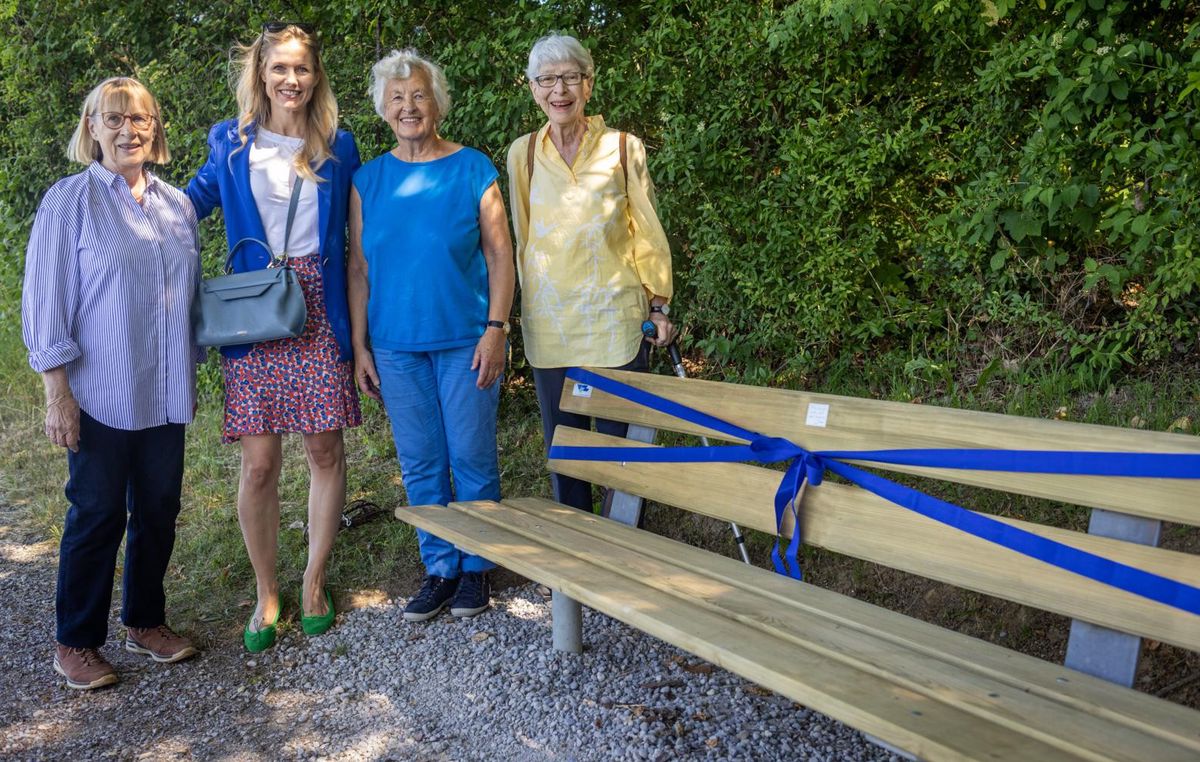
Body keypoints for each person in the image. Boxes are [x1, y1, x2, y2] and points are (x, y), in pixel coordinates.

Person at [186, 22, 361, 652]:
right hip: (255, 309)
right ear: (260, 73)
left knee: (324, 452)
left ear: (316, 77)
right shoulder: (230, 143)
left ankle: (314, 580)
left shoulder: (339, 145)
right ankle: (267, 591)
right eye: (280, 68)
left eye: (302, 68)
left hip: (319, 307)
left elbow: (361, 235)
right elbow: (186, 206)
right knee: (259, 464)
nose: (292, 79)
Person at [22, 77, 201, 690]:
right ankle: (75, 640)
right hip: (99, 391)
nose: (129, 129)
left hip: (164, 390)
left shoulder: (177, 206)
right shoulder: (68, 202)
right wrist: (58, 394)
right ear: (92, 128)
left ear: (156, 126)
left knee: (158, 510)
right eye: (115, 118)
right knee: (97, 513)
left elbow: (189, 299)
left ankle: (144, 621)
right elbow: (46, 302)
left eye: (141, 118)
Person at [349, 49, 514, 622]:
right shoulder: (368, 180)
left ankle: (476, 567)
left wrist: (496, 329)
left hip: (467, 340)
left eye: (419, 94)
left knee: (471, 456)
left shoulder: (472, 168)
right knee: (420, 461)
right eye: (396, 97)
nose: (408, 106)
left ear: (437, 103)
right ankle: (440, 567)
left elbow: (500, 254)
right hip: (395, 347)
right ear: (383, 109)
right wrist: (360, 346)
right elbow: (359, 269)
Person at [506, 33, 675, 513]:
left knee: (620, 451)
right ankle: (574, 542)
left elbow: (647, 231)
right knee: (567, 449)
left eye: (570, 77)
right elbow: (524, 239)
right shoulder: (522, 153)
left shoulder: (623, 147)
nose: (558, 90)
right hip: (551, 326)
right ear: (533, 89)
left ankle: (621, 540)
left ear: (589, 84)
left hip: (615, 322)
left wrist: (659, 304)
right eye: (546, 80)